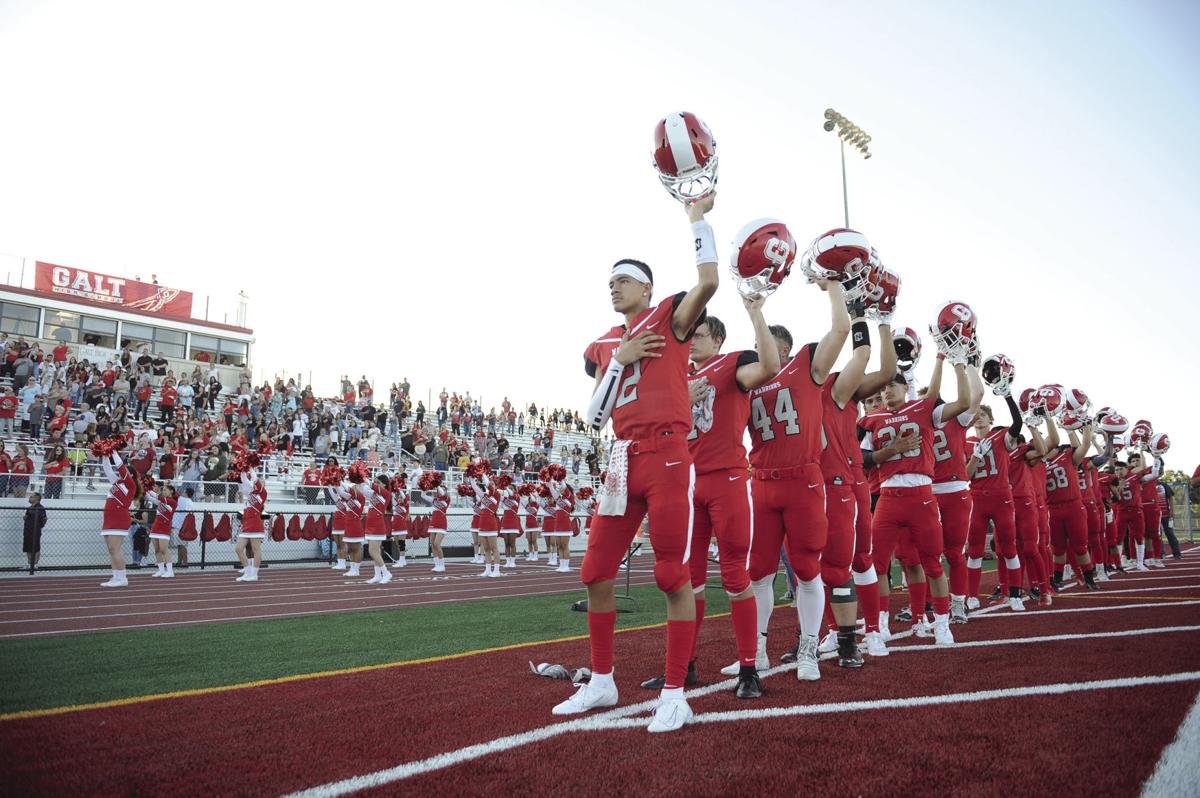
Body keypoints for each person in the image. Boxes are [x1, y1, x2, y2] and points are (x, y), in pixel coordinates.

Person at [555, 192, 717, 733]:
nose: (613, 285)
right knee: (594, 571)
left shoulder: (667, 317)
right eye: (611, 280)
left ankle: (675, 691)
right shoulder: (606, 344)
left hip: (670, 453)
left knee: (672, 574)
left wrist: (697, 218)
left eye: (623, 278)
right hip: (622, 460)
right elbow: (593, 416)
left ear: (645, 288)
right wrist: (619, 361)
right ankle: (602, 681)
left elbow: (709, 283)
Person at [642, 292, 779, 699]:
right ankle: (684, 667)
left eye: (699, 335)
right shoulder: (677, 375)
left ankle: (749, 668)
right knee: (690, 581)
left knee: (737, 574)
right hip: (686, 482)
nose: (692, 341)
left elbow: (770, 367)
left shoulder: (732, 363)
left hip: (727, 478)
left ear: (717, 340)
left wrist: (756, 313)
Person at [862, 355, 975, 647]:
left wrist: (955, 363)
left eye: (892, 386)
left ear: (905, 388)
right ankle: (880, 623)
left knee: (933, 563)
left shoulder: (922, 409)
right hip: (888, 496)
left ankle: (941, 622)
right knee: (878, 564)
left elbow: (963, 402)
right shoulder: (872, 419)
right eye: (884, 388)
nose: (887, 391)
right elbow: (863, 459)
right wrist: (893, 449)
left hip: (922, 495)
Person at [99, 451, 141, 587]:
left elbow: (120, 467)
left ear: (132, 475)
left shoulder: (130, 485)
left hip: (119, 519)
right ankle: (116, 576)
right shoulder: (117, 482)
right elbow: (107, 469)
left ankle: (123, 578)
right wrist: (104, 454)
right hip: (109, 519)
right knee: (111, 549)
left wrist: (113, 451)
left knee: (114, 548)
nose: (121, 472)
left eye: (126, 471)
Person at [235, 470, 268, 581]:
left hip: (255, 523)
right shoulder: (251, 492)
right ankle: (247, 571)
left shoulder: (263, 494)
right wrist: (243, 469)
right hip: (246, 524)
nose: (258, 483)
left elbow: (254, 479)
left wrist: (251, 468)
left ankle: (254, 574)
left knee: (255, 549)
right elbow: (244, 479)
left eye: (261, 482)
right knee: (238, 549)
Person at [360, 474, 394, 584]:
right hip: (370, 525)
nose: (376, 484)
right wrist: (359, 478)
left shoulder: (386, 494)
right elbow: (364, 489)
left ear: (384, 484)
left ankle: (386, 573)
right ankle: (377, 575)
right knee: (377, 551)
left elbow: (371, 486)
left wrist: (365, 478)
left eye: (378, 482)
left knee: (372, 551)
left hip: (377, 526)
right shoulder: (374, 494)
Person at [145, 482, 178, 578]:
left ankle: (170, 571)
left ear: (171, 491)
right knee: (157, 550)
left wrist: (149, 489)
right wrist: (144, 491)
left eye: (165, 490)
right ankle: (161, 570)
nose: (163, 492)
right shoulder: (162, 501)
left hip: (164, 527)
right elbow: (150, 498)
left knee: (164, 549)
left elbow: (157, 496)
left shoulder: (172, 502)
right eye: (162, 490)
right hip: (155, 527)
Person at [23, 492, 47, 575]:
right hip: (27, 530)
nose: (29, 498)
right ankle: (30, 563)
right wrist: (25, 517)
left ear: (36, 498)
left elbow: (44, 519)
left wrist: (39, 526)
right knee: (27, 546)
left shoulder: (41, 508)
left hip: (35, 530)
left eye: (31, 497)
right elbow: (25, 517)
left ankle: (35, 564)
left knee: (36, 546)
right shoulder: (29, 508)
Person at [173, 487, 195, 568]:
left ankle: (184, 562)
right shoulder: (190, 502)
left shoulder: (182, 500)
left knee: (182, 545)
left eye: (184, 492)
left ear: (186, 493)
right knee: (180, 544)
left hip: (180, 525)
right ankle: (180, 562)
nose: (182, 493)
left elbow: (175, 494)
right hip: (184, 525)